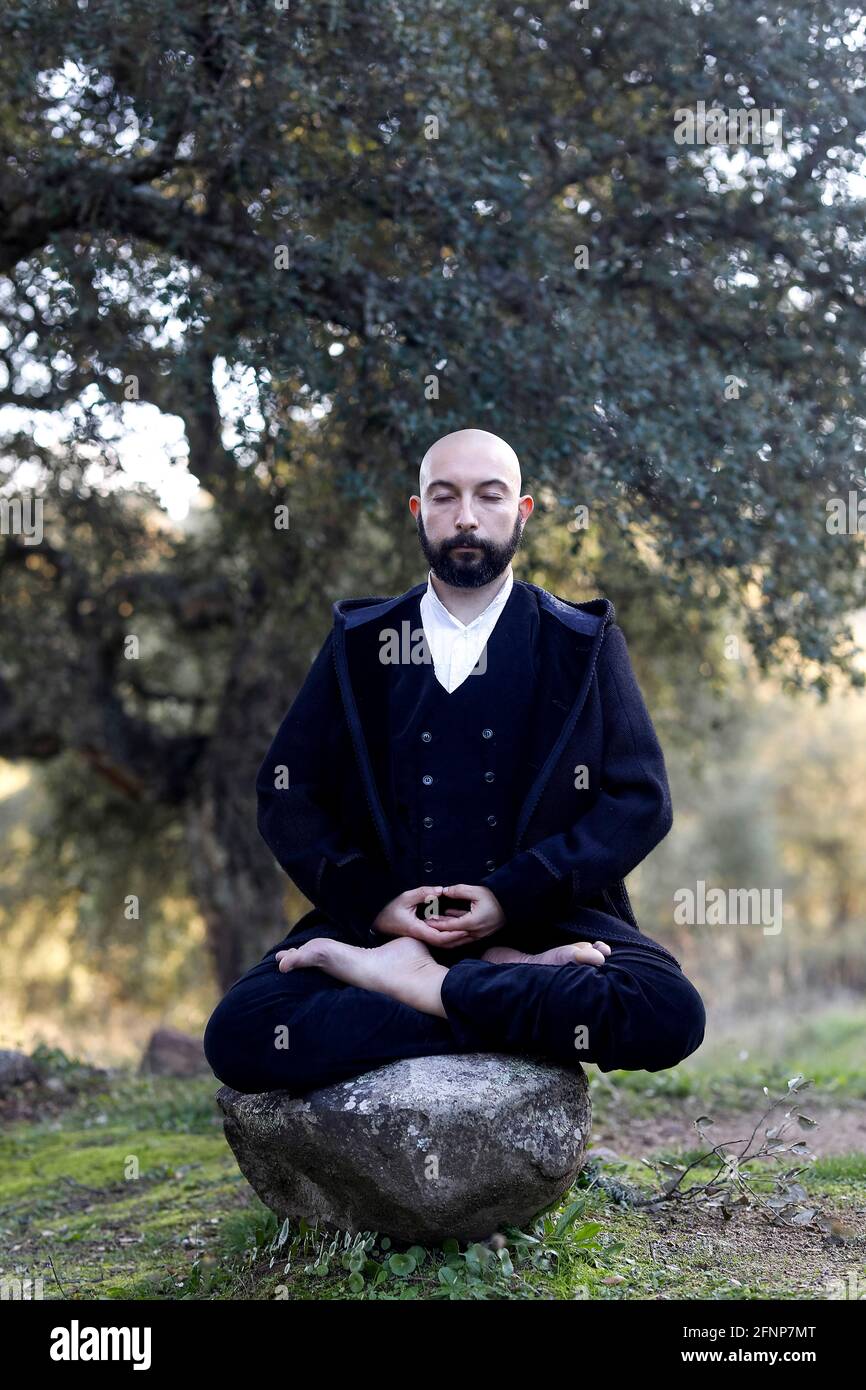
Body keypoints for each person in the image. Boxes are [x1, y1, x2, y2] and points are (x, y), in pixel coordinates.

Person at [203, 428, 705, 1095]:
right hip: (391, 930)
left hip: (541, 921)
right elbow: (287, 793)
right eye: (444, 497)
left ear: (521, 512)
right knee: (242, 1033)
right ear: (418, 511)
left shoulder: (581, 642)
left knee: (667, 1013)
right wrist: (377, 908)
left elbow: (640, 800)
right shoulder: (361, 642)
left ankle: (426, 989)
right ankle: (501, 990)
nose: (465, 516)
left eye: (488, 496)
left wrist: (511, 899)